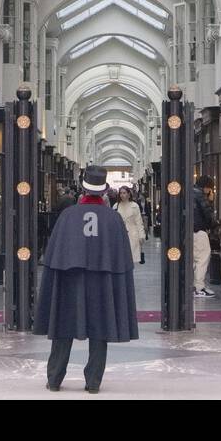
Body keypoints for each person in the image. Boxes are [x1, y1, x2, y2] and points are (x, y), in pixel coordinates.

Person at [34, 165, 138, 393]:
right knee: (99, 330)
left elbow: (53, 254)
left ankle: (54, 379)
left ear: (82, 188)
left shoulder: (67, 216)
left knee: (64, 326)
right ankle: (93, 383)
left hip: (71, 281)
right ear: (104, 191)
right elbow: (122, 258)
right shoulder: (113, 219)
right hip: (101, 284)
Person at [193, 175, 218, 297]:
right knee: (202, 258)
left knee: (194, 259)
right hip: (199, 231)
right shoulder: (201, 196)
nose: (210, 191)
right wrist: (211, 201)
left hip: (190, 231)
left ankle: (194, 285)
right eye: (210, 189)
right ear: (207, 187)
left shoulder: (191, 192)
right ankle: (199, 287)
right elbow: (207, 213)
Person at [114, 186, 147, 266]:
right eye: (121, 193)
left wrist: (141, 235)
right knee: (121, 259)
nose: (122, 195)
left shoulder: (134, 206)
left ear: (129, 194)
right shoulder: (116, 206)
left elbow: (139, 222)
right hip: (119, 235)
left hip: (132, 235)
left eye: (124, 193)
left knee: (130, 259)